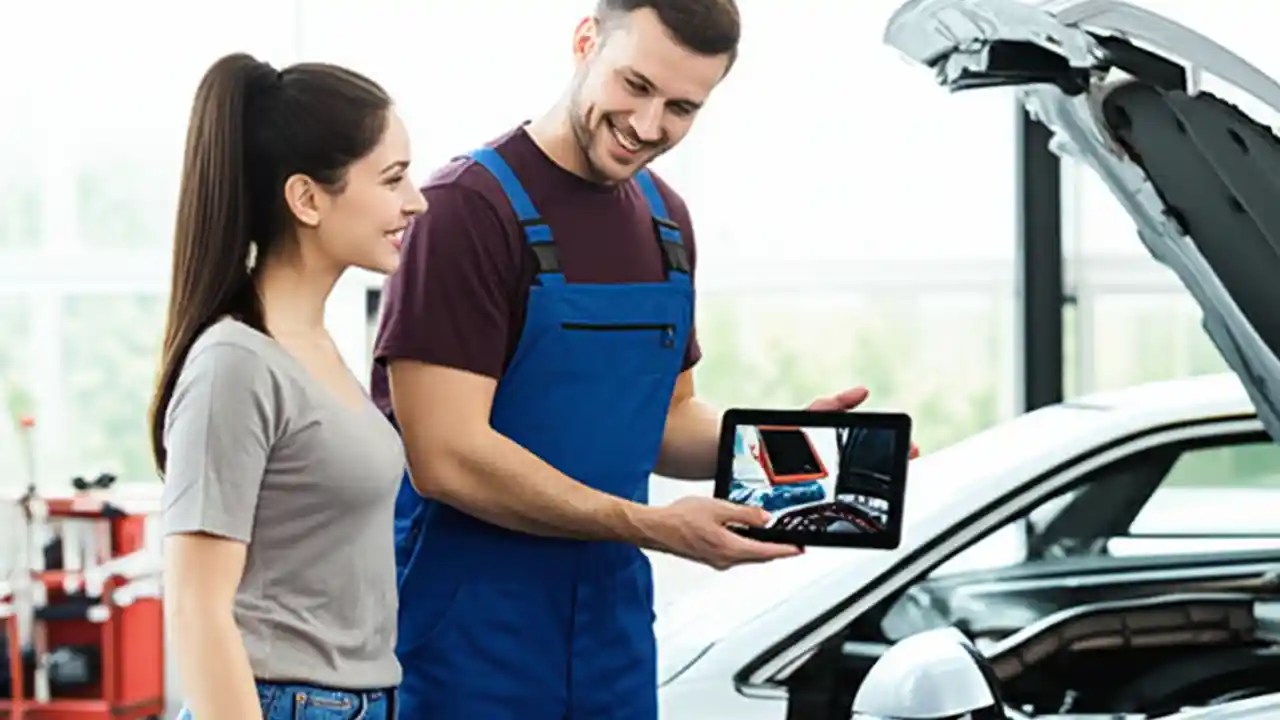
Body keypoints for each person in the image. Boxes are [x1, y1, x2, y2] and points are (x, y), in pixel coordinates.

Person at [371, 1, 905, 717]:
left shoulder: (666, 221)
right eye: (635, 86)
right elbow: (445, 455)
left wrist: (780, 445)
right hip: (462, 638)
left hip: (611, 639)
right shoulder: (467, 210)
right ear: (585, 40)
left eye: (682, 107)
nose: (649, 126)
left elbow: (666, 420)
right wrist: (651, 526)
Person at [149, 52, 426, 720]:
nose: (415, 200)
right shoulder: (235, 364)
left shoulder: (315, 350)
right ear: (306, 198)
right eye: (392, 178)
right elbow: (197, 606)